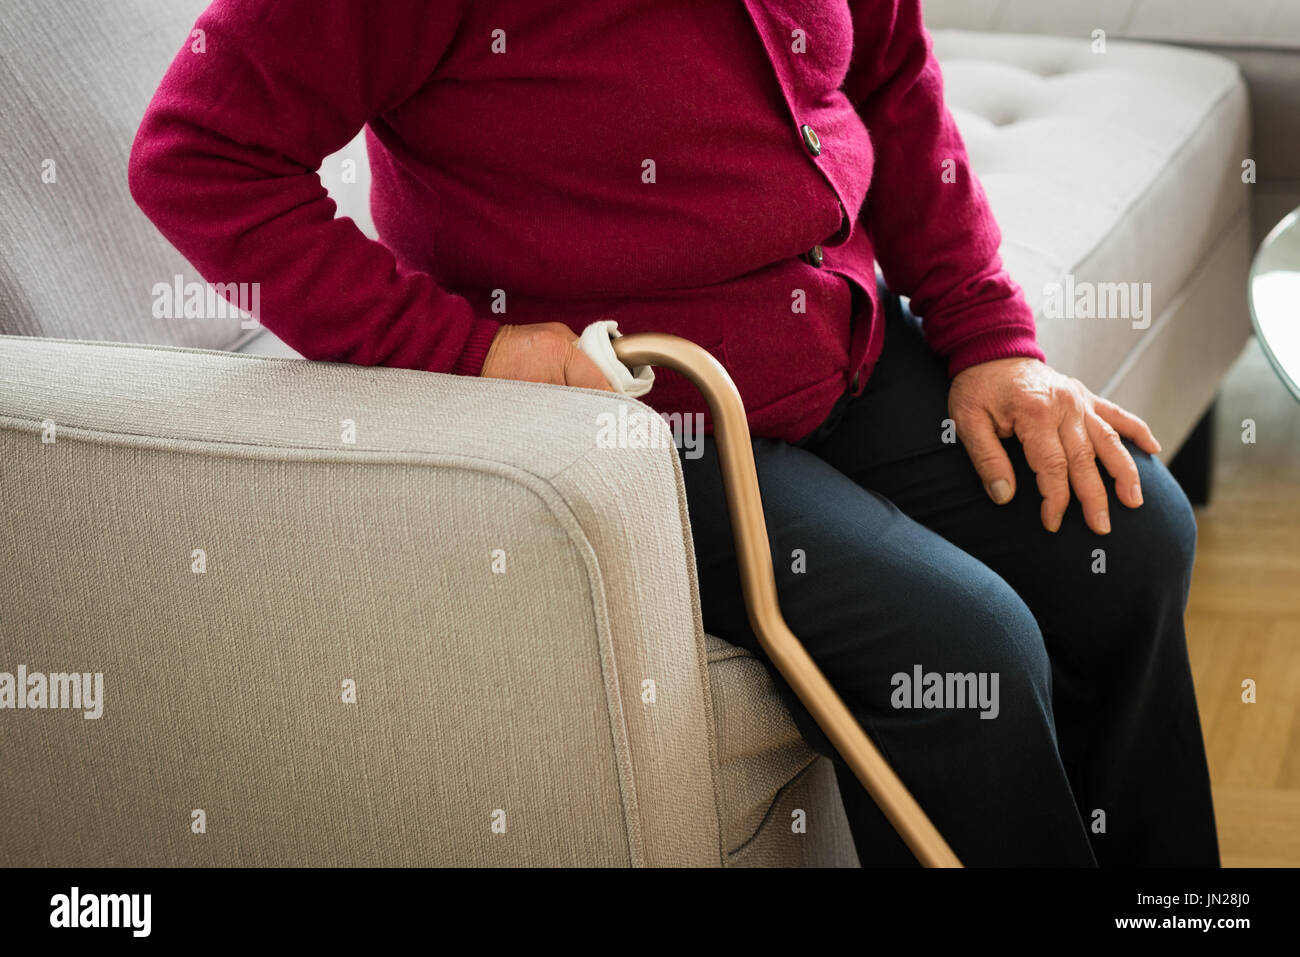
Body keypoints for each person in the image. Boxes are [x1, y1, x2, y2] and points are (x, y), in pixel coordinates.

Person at [129, 0, 1218, 866]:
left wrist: (990, 335)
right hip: (639, 416)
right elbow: (196, 155)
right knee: (963, 647)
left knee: (1127, 531)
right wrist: (471, 352)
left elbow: (889, 72)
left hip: (840, 334)